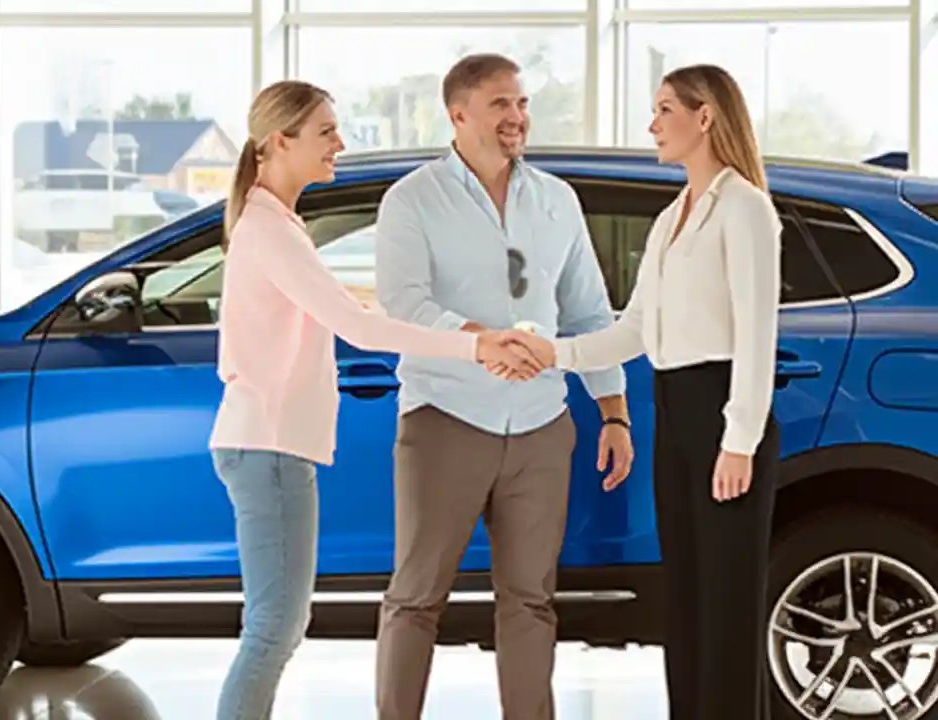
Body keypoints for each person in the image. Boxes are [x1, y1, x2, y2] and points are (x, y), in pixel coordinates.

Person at [206, 79, 538, 720]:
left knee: (276, 627)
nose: (340, 143)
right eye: (326, 131)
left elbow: (349, 309)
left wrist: (462, 330)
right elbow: (358, 329)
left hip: (270, 445)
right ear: (280, 141)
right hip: (267, 446)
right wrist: (475, 347)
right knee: (273, 629)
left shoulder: (277, 224)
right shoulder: (269, 230)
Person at [509, 63, 782, 720]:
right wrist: (554, 353)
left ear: (704, 116)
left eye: (664, 110)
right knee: (685, 597)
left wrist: (739, 439)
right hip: (675, 409)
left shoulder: (744, 207)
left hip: (721, 414)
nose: (652, 124)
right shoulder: (671, 218)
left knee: (727, 602)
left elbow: (757, 333)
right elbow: (633, 329)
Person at [373, 53, 635, 720]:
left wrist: (614, 412)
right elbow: (404, 305)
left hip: (543, 423)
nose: (517, 117)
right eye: (500, 104)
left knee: (531, 599)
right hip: (445, 417)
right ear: (458, 114)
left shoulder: (556, 200)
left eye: (521, 103)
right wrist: (482, 342)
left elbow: (588, 311)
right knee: (416, 597)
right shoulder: (412, 200)